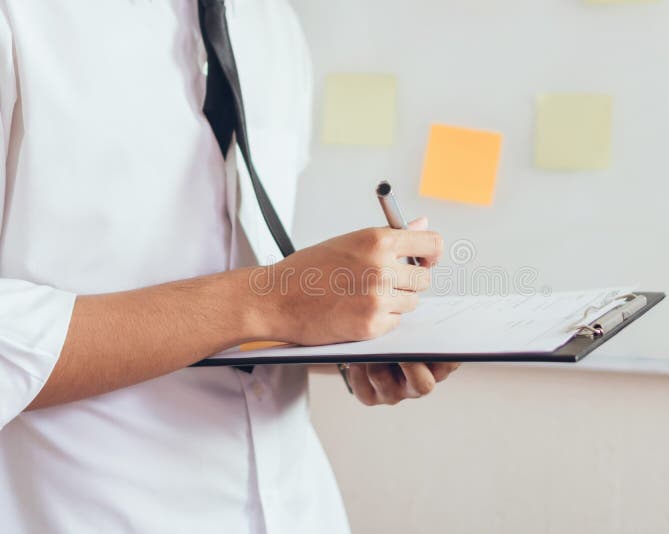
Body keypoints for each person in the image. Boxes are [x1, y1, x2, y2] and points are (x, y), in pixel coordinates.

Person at [0, 1, 459, 532]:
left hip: (300, 506)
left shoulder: (271, 21)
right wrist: (271, 301)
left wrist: (336, 336)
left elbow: (243, 296)